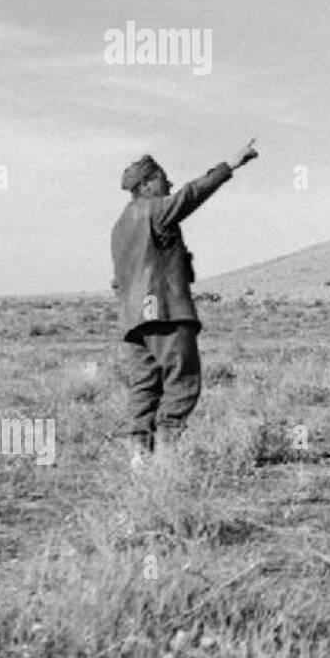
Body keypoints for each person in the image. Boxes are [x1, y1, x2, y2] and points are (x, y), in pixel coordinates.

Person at [111, 140, 258, 466]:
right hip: (164, 310)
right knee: (182, 380)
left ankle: (139, 456)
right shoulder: (155, 209)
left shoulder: (119, 226)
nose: (170, 184)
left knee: (144, 385)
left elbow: (119, 278)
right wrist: (229, 167)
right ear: (146, 184)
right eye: (163, 179)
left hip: (134, 319)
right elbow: (192, 194)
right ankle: (167, 458)